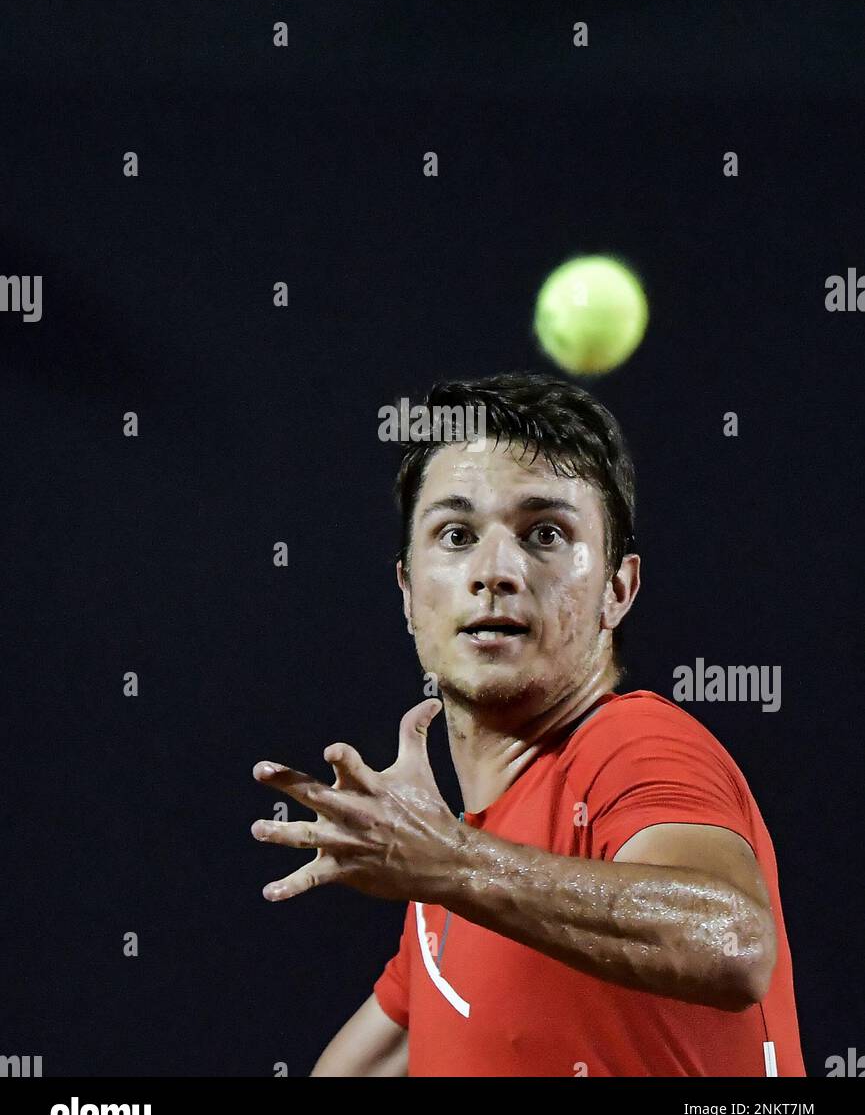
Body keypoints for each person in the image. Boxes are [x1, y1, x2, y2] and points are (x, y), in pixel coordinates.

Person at [251, 372, 806, 1077]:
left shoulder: (630, 743)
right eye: (455, 534)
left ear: (616, 589)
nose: (495, 571)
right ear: (408, 593)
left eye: (544, 533)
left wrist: (447, 862)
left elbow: (731, 942)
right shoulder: (459, 877)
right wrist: (446, 864)